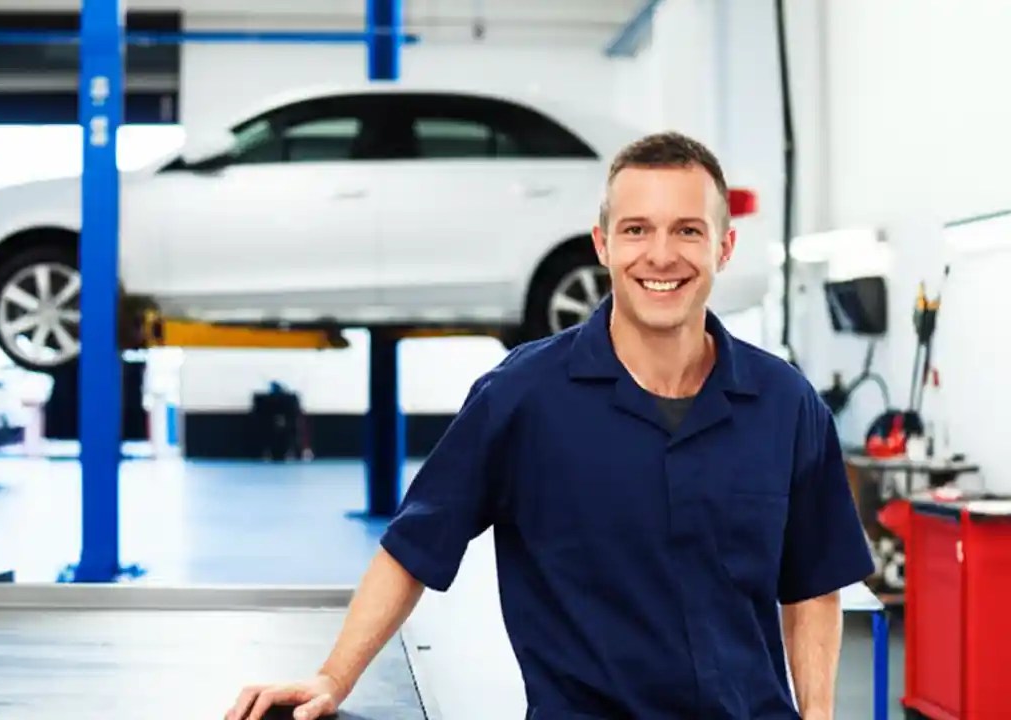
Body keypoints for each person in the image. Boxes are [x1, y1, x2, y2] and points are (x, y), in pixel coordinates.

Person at [225, 132, 874, 720]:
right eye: (637, 230)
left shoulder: (786, 405)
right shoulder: (523, 398)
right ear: (603, 245)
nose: (661, 255)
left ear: (724, 247)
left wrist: (816, 715)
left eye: (688, 231)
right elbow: (413, 546)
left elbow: (813, 584)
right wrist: (333, 677)